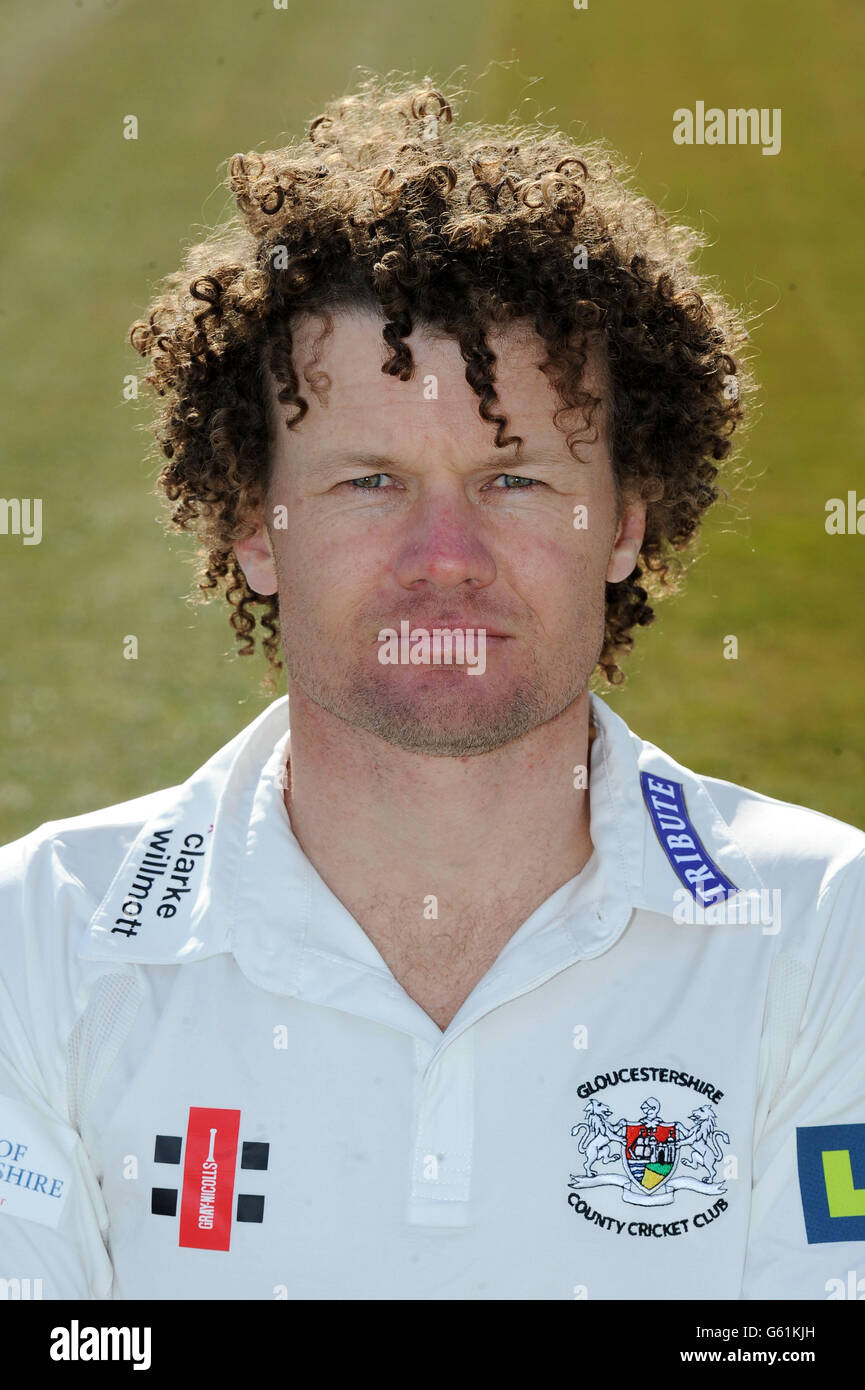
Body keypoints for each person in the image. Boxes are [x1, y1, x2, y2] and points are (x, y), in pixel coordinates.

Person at [1, 75, 862, 1302]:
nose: (444, 556)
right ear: (255, 525)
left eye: (514, 482)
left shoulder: (833, 929)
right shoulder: (33, 941)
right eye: (367, 482)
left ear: (625, 520)